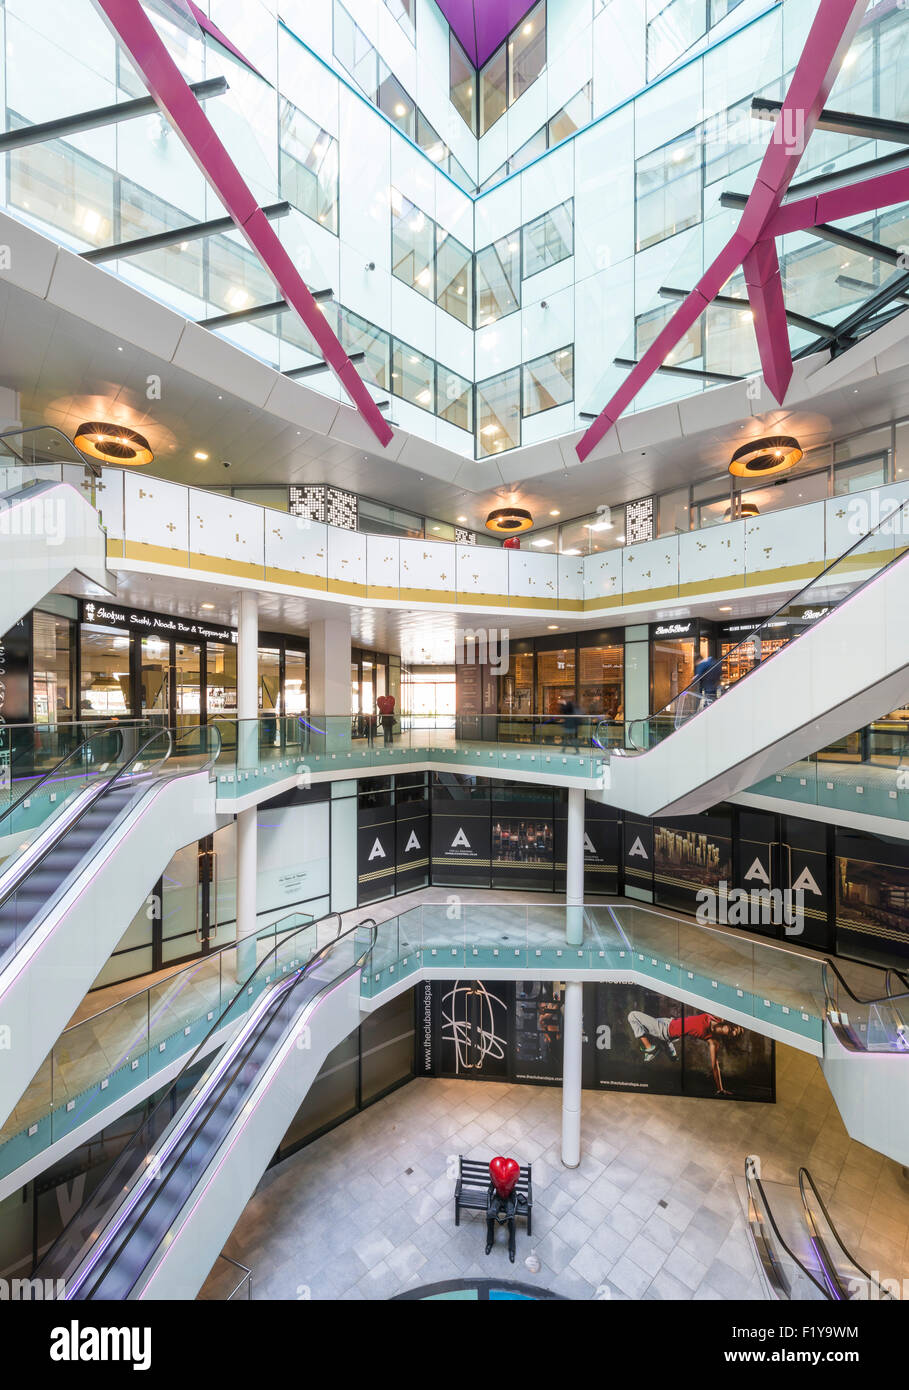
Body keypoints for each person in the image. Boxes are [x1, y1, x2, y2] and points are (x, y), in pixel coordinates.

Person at [627, 1009, 744, 1097]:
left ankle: (650, 1048)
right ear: (730, 1024)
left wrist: (720, 1089)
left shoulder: (713, 1040)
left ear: (728, 1036)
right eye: (733, 1028)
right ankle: (669, 1050)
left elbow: (715, 1066)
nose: (731, 1031)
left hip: (666, 1030)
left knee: (632, 1016)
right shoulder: (717, 1018)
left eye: (732, 1033)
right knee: (648, 1027)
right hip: (670, 1022)